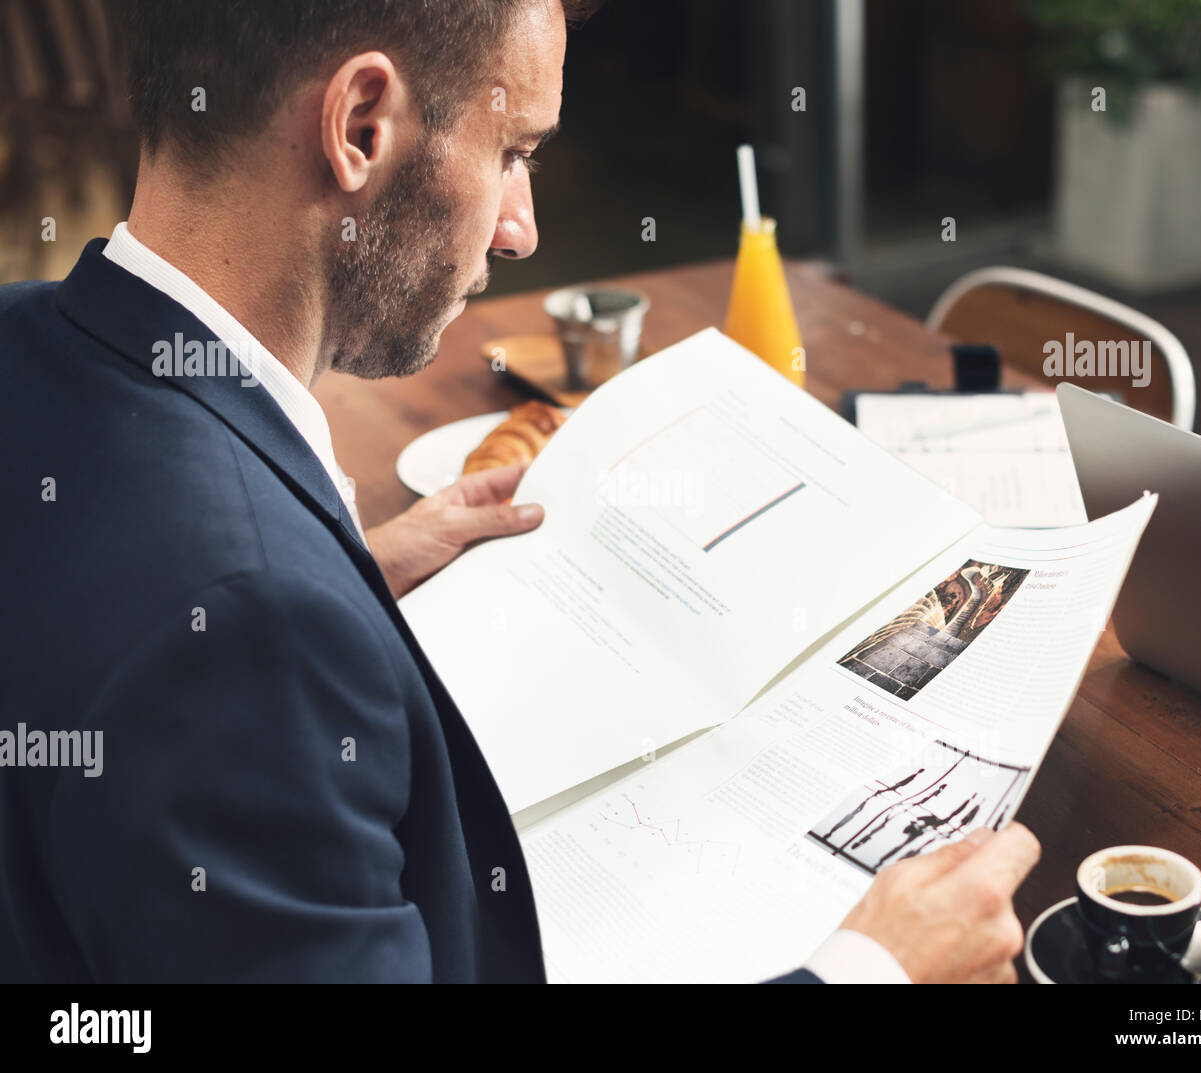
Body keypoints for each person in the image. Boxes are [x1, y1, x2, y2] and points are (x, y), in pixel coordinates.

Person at [0, 0, 1040, 983]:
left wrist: (348, 568)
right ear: (361, 123)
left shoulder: (24, 339)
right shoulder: (248, 631)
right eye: (513, 153)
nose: (520, 228)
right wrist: (870, 968)